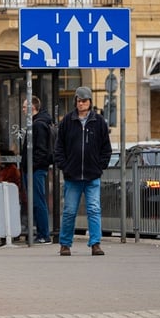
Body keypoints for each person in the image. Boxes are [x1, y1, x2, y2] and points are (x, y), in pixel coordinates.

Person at [54, 87, 112, 257]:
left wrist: (100, 166)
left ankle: (95, 244)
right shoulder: (67, 121)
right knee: (70, 211)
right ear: (75, 102)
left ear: (90, 103)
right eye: (79, 101)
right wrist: (64, 166)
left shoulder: (99, 122)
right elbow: (59, 147)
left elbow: (106, 148)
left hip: (92, 175)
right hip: (72, 176)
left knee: (94, 209)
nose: (81, 104)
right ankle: (65, 244)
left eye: (84, 101)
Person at [26, 96, 54, 245]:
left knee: (38, 201)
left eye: (25, 107)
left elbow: (41, 150)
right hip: (36, 168)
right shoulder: (38, 123)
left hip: (36, 169)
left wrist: (32, 166)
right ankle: (41, 232)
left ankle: (44, 234)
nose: (23, 110)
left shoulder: (38, 124)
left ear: (32, 108)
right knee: (36, 201)